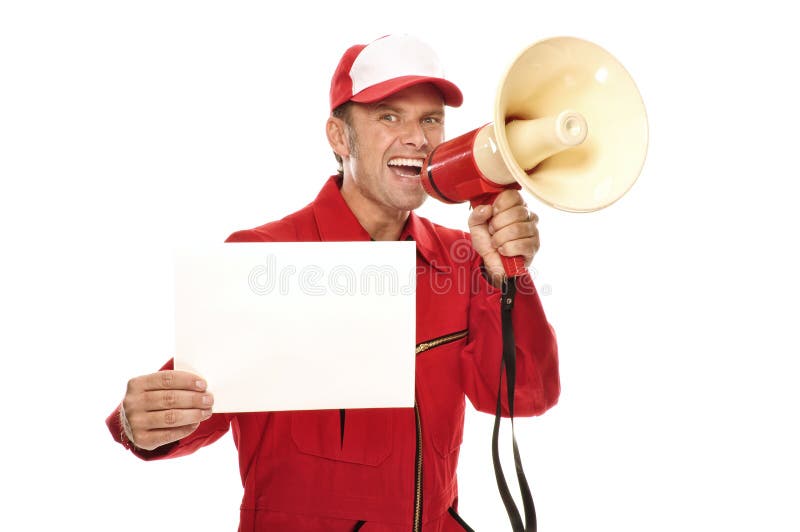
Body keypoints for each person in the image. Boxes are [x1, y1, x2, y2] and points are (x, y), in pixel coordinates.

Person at [107, 34, 560, 532]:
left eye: (430, 119)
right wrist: (139, 423)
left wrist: (506, 275)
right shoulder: (265, 258)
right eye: (389, 116)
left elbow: (523, 398)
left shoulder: (463, 259)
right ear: (340, 138)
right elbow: (194, 407)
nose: (417, 137)